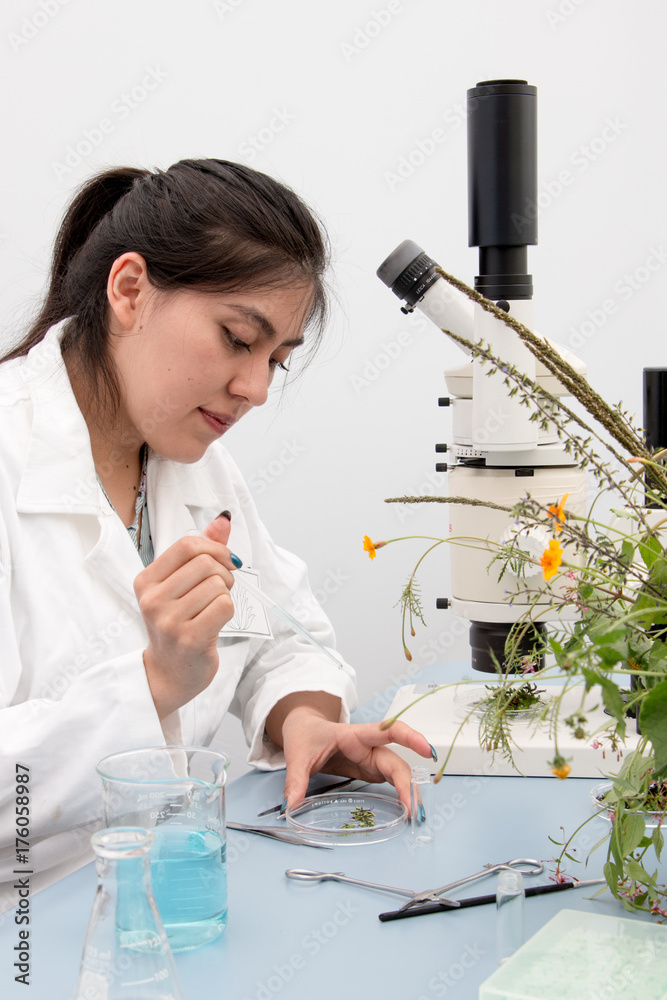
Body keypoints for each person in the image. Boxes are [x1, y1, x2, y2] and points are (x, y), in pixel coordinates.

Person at [0, 159, 434, 910]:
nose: (257, 390)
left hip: (166, 906)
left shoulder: (193, 469)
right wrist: (154, 681)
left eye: (276, 360)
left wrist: (305, 719)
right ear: (130, 291)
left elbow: (280, 634)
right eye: (238, 339)